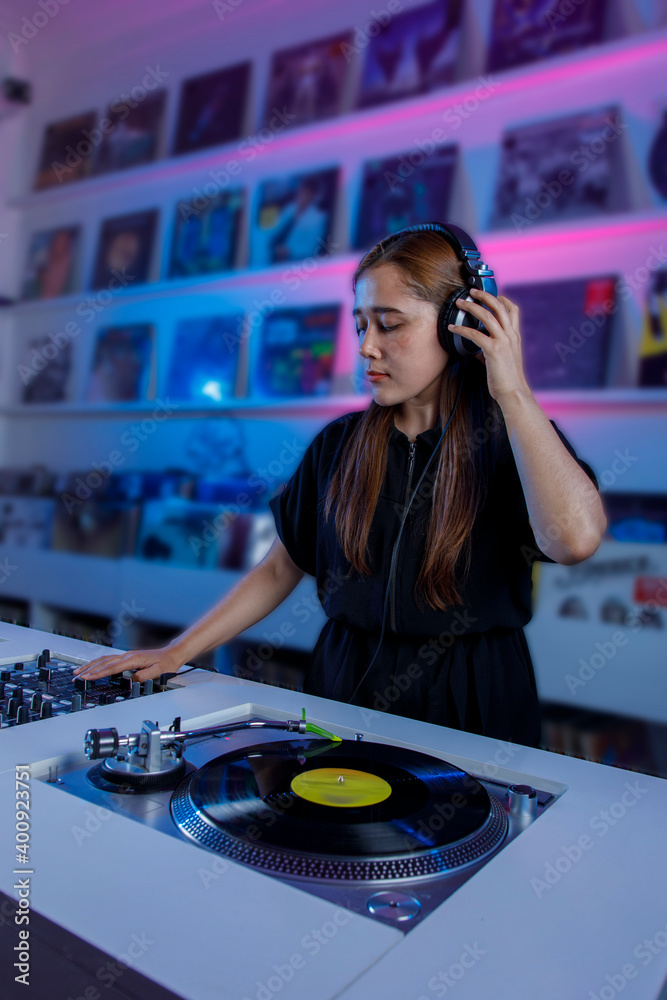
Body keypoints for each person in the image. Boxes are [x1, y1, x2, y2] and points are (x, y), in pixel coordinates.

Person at [74, 226, 606, 747]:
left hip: (474, 696)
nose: (367, 347)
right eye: (361, 325)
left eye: (390, 324)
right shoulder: (338, 445)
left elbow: (575, 540)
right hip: (344, 686)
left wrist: (511, 392)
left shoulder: (515, 438)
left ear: (458, 326)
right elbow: (281, 566)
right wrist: (177, 652)